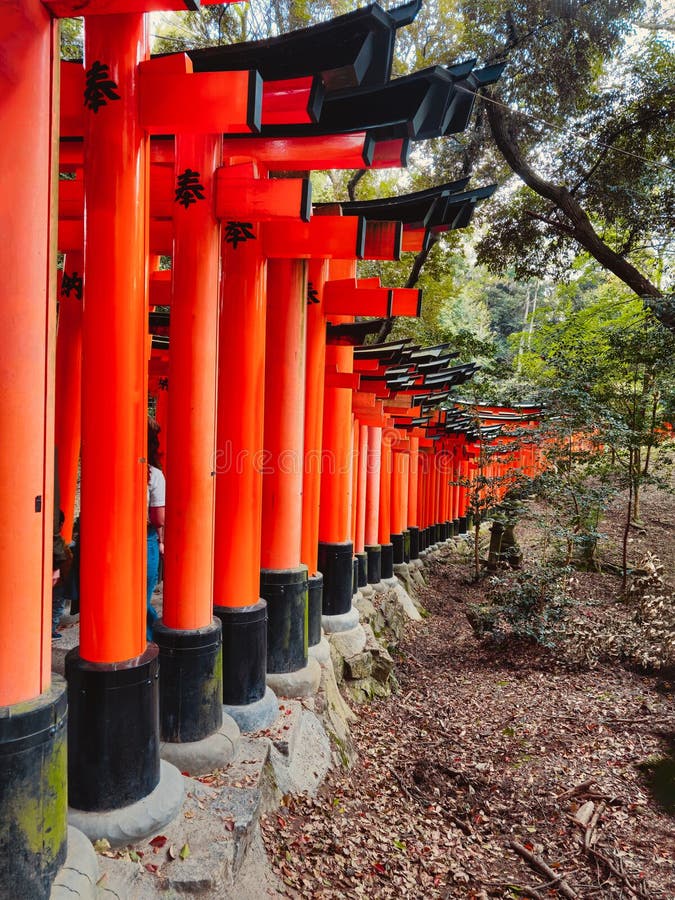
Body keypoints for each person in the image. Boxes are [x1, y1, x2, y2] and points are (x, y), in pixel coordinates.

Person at [147, 418, 165, 641]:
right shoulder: (154, 475)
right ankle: (151, 641)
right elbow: (158, 518)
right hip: (144, 538)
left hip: (108, 541)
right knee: (141, 598)